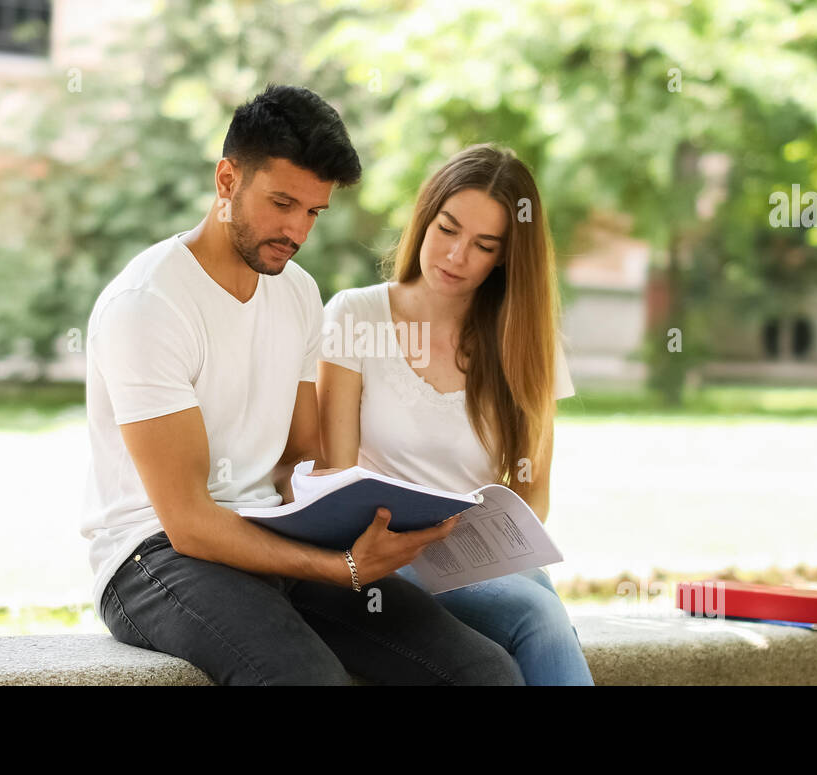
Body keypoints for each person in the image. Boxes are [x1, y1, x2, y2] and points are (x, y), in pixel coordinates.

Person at [81, 85, 524, 686]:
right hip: (154, 557)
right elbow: (187, 519)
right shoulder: (149, 305)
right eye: (282, 202)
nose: (296, 230)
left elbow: (297, 458)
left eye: (313, 212)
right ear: (227, 180)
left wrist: (366, 520)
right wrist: (340, 567)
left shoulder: (296, 292)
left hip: (270, 534)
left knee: (484, 671)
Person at [317, 144, 595, 685]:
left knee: (533, 599)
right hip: (384, 560)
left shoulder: (528, 340)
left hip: (485, 563)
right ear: (425, 218)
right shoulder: (356, 314)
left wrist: (486, 551)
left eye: (484, 245)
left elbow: (533, 494)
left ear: (506, 257)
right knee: (537, 609)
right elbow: (333, 475)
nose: (456, 256)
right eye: (447, 229)